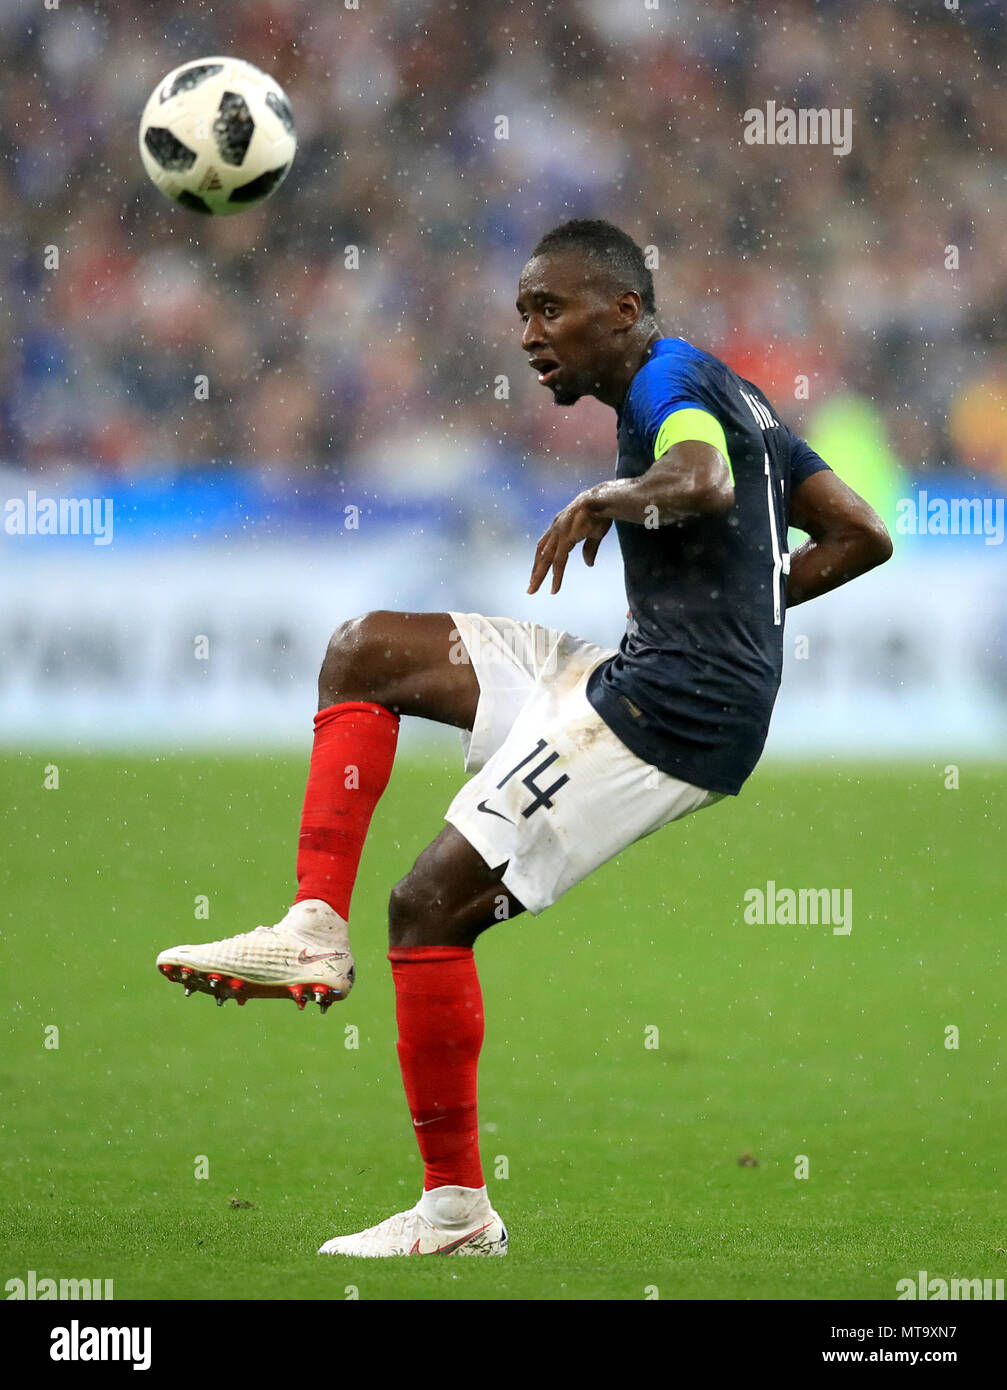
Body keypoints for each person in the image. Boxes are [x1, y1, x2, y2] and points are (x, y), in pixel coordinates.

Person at [156, 219, 893, 1257]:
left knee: (425, 910)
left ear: (623, 312)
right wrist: (739, 602)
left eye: (549, 310)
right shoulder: (741, 396)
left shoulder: (667, 385)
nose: (528, 335)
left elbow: (702, 480)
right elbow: (862, 535)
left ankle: (455, 1213)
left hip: (669, 715)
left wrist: (611, 496)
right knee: (364, 650)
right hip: (636, 669)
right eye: (521, 314)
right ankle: (311, 926)